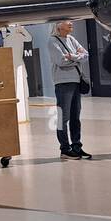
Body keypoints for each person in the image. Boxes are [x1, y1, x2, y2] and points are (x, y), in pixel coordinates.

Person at [48, 20, 92, 159]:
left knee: (75, 117)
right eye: (68, 22)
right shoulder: (52, 41)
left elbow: (86, 55)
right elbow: (61, 61)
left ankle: (77, 146)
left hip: (76, 81)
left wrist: (72, 56)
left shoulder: (71, 39)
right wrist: (77, 57)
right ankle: (65, 149)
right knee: (63, 117)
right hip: (63, 83)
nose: (71, 23)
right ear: (58, 25)